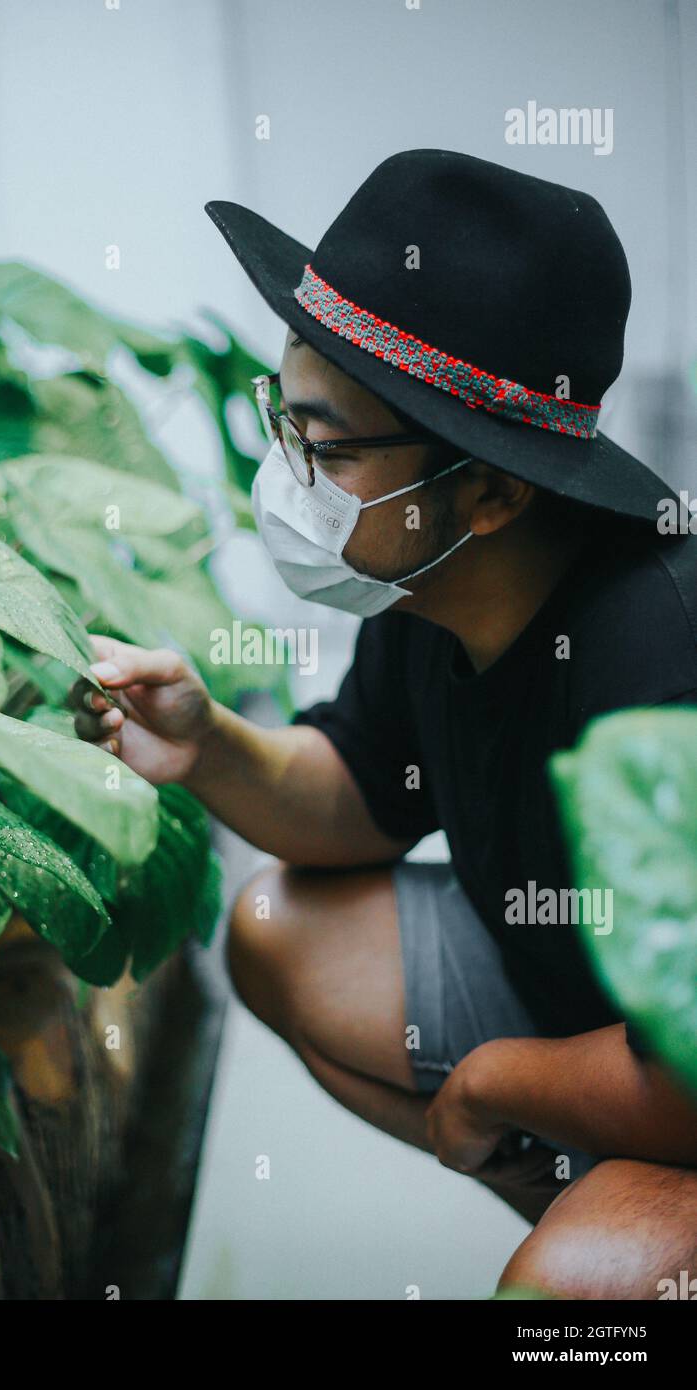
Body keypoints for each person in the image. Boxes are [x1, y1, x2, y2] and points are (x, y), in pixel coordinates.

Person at [72, 150, 697, 1297]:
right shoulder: (434, 585)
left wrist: (489, 1082)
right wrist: (204, 743)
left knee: (573, 1286)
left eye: (328, 446)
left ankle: (613, 1226)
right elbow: (354, 797)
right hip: (590, 1019)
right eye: (283, 421)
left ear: (491, 490)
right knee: (272, 927)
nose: (285, 475)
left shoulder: (653, 661)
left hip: (680, 1065)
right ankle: (591, 1189)